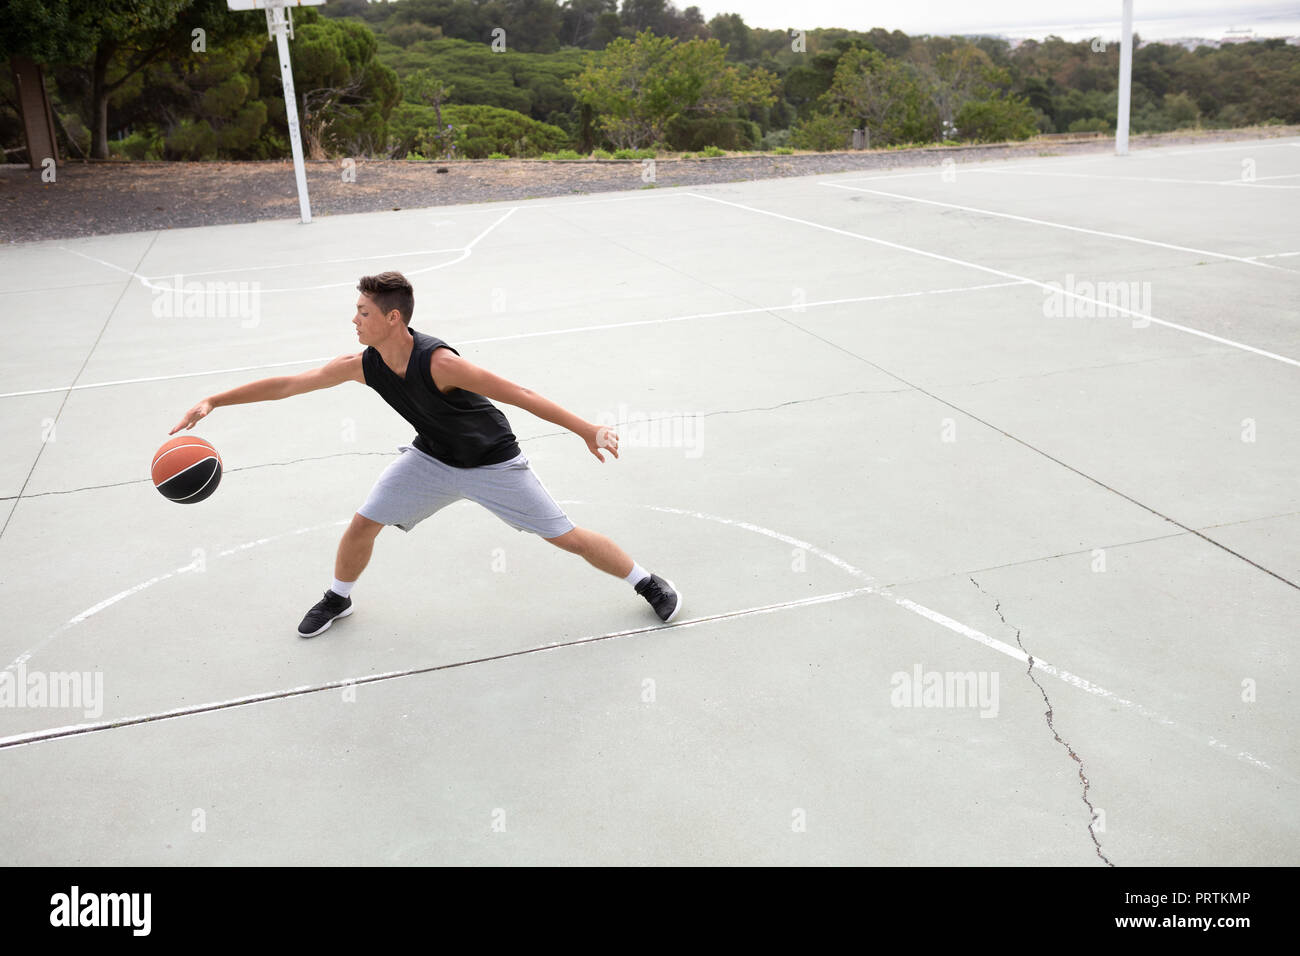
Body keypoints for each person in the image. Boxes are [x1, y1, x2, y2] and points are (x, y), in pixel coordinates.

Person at [171, 271, 681, 637]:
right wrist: (216, 400)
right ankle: (338, 597)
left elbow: (518, 394)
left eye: (363, 313)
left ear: (393, 318)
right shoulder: (362, 364)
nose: (354, 320)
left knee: (566, 537)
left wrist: (586, 428)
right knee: (361, 525)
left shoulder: (440, 362)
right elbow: (286, 385)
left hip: (492, 465)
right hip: (431, 460)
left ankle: (648, 583)